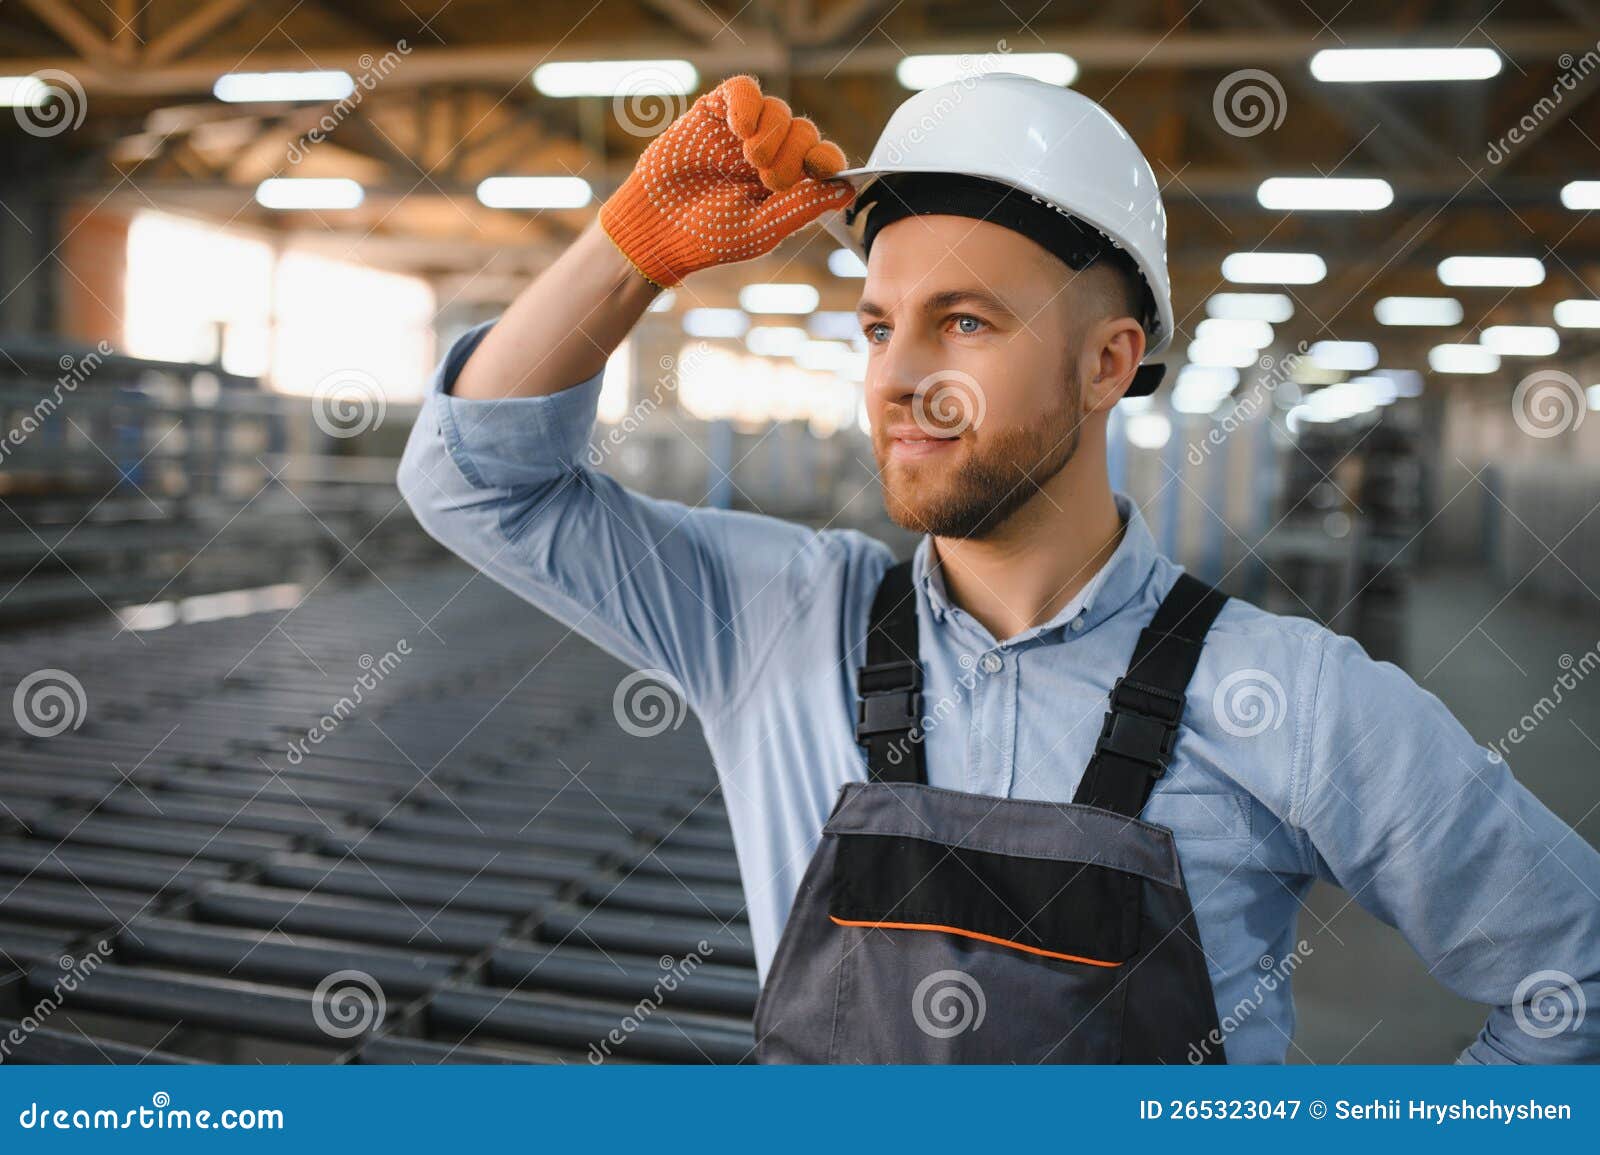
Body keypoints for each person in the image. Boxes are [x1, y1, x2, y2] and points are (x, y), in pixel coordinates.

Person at [398, 73, 1600, 1063]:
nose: (895, 375)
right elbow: (475, 481)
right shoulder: (773, 619)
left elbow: (1575, 973)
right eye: (878, 325)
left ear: (1105, 364)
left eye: (963, 322)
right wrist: (628, 253)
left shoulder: (1291, 699)